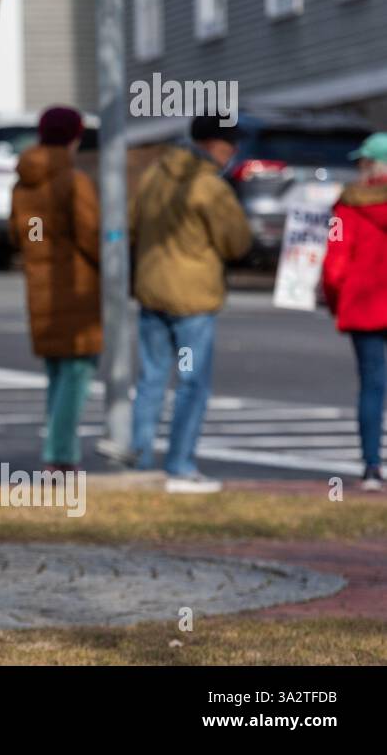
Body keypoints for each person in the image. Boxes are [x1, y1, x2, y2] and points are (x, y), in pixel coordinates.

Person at [128, 113, 252, 493]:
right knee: (191, 383)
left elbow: (131, 225)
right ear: (217, 146)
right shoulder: (209, 187)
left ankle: (139, 462)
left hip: (152, 293)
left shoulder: (153, 177)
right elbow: (237, 242)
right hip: (192, 302)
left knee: (150, 380)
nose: (231, 155)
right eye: (230, 147)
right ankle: (180, 466)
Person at [7, 106, 101, 472]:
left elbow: (21, 234)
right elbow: (91, 235)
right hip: (76, 289)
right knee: (77, 374)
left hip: (41, 289)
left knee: (57, 375)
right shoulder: (73, 181)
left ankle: (58, 452)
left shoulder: (23, 183)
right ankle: (60, 457)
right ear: (73, 137)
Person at [321, 132, 387, 492]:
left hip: (364, 306)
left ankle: (372, 466)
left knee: (372, 386)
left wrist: (335, 301)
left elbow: (334, 263)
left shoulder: (346, 206)